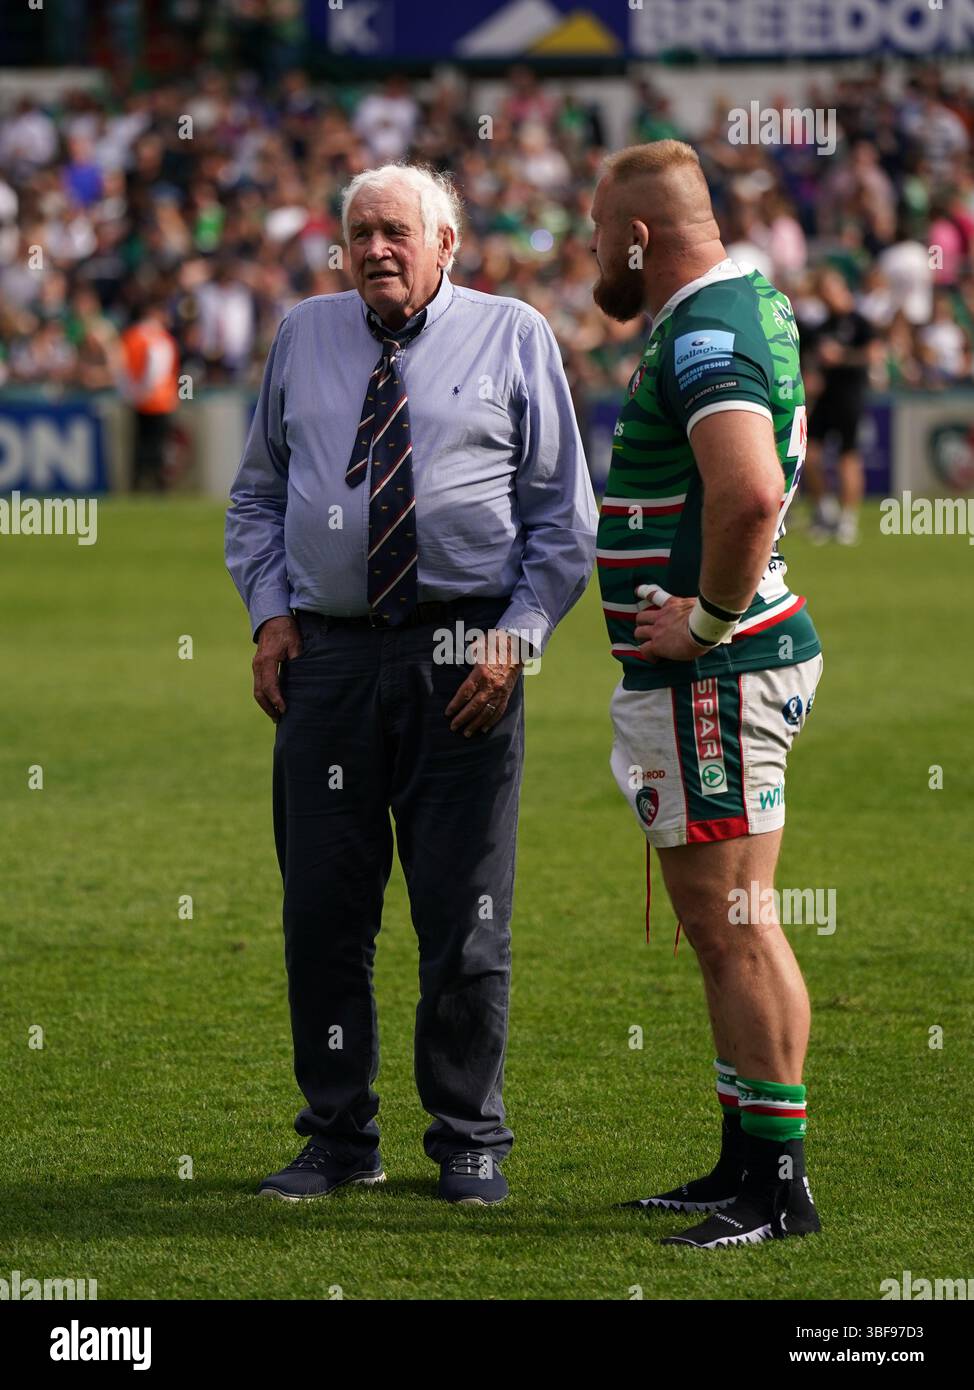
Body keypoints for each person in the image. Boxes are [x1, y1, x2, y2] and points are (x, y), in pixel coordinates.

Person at [225, 163, 597, 1206]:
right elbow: (255, 496)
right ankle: (338, 1137)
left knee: (464, 916)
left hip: (463, 655)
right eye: (359, 232)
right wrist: (268, 615)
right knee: (321, 912)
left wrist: (516, 639)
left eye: (396, 230)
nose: (375, 249)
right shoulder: (303, 333)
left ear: (447, 243)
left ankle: (468, 1138)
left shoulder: (514, 333)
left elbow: (562, 522)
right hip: (328, 659)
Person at [590, 140, 823, 1248]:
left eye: (599, 236)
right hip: (717, 675)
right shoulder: (748, 304)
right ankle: (742, 1156)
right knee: (720, 923)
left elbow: (748, 493)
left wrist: (704, 619)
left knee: (734, 925)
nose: (594, 258)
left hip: (717, 675)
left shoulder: (706, 327)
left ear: (637, 235)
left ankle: (774, 1186)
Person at [802, 268, 878, 546]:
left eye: (829, 290)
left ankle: (848, 519)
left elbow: (873, 354)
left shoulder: (859, 322)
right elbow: (811, 358)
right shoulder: (823, 326)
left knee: (848, 455)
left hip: (850, 395)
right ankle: (824, 511)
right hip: (826, 397)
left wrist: (842, 356)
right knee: (809, 455)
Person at [118, 298, 179, 491]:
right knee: (158, 447)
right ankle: (159, 487)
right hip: (159, 400)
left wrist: (131, 394)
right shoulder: (159, 337)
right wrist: (146, 392)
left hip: (137, 400)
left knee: (139, 446)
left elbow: (121, 368)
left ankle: (136, 485)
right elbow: (156, 370)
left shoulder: (130, 336)